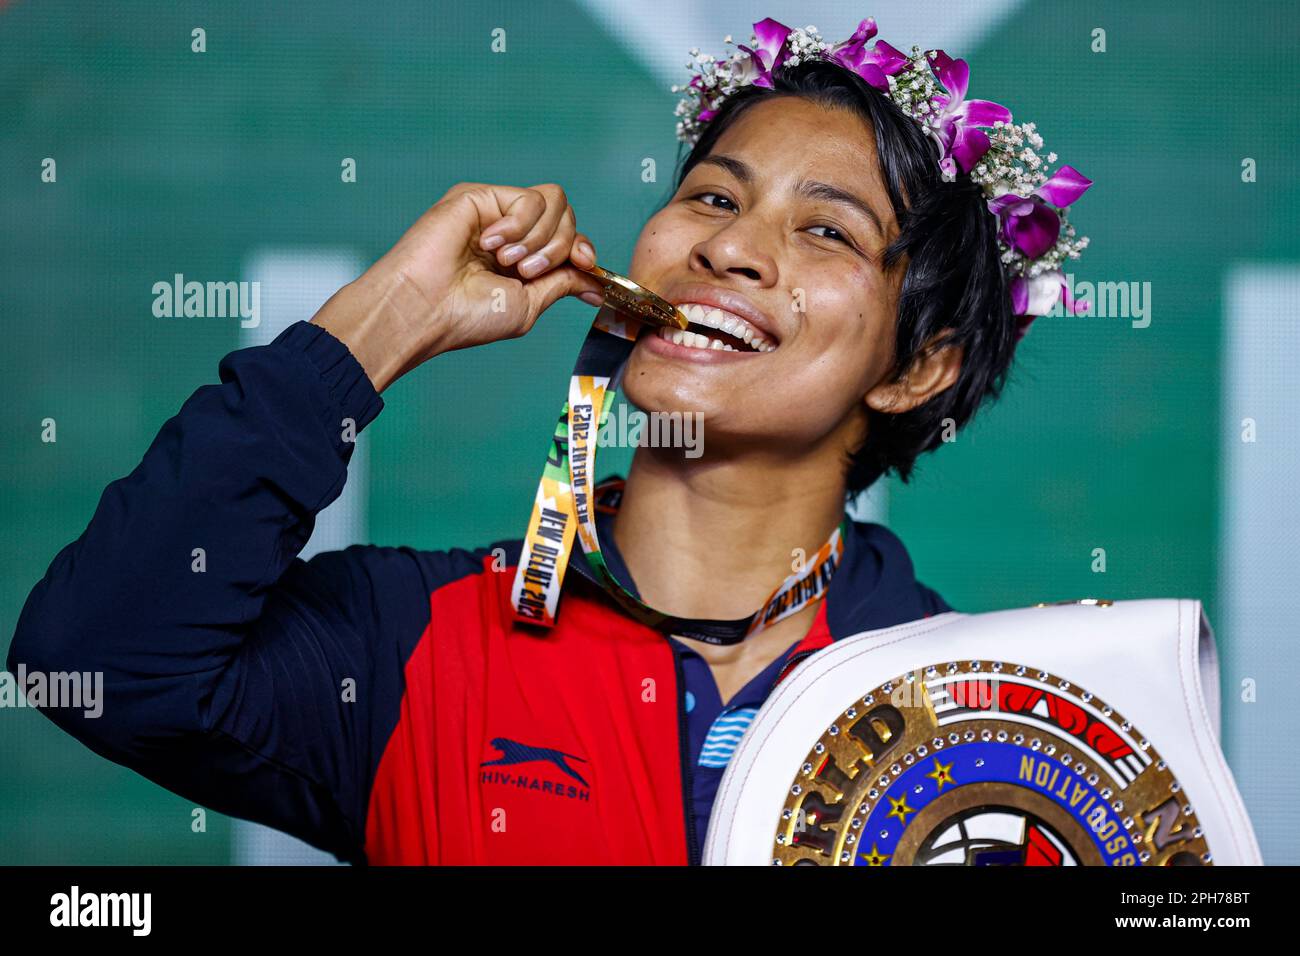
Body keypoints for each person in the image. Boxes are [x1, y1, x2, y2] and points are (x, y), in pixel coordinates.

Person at [7, 18, 1090, 865]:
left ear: (917, 365)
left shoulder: (990, 711)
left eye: (825, 229)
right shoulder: (407, 642)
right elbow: (88, 663)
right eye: (712, 194)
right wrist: (383, 323)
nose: (728, 247)